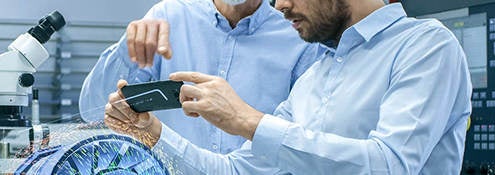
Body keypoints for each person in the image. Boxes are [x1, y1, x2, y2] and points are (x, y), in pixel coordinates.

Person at [104, 0, 473, 174]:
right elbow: (236, 172)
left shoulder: (425, 46)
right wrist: (153, 133)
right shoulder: (317, 74)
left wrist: (248, 122)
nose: (280, 5)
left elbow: (390, 164)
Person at [80, 0, 318, 154]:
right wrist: (127, 48)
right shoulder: (167, 16)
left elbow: (303, 142)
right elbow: (92, 111)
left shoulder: (297, 35)